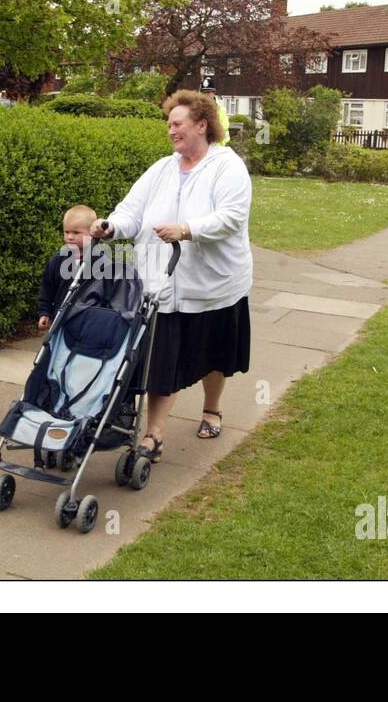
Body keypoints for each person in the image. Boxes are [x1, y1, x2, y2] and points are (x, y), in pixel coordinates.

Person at [90, 90, 253, 463]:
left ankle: (212, 407)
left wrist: (188, 229)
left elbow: (231, 217)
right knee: (162, 361)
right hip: (162, 285)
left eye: (177, 123)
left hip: (215, 284)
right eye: (168, 124)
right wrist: (111, 225)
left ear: (202, 125)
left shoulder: (228, 167)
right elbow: (132, 210)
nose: (170, 130)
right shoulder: (162, 169)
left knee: (215, 355)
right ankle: (154, 434)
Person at [38, 205, 98, 331]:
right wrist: (45, 312)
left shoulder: (100, 263)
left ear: (92, 234)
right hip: (59, 322)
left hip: (88, 325)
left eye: (76, 232)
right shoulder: (58, 260)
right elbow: (47, 288)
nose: (70, 237)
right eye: (66, 232)